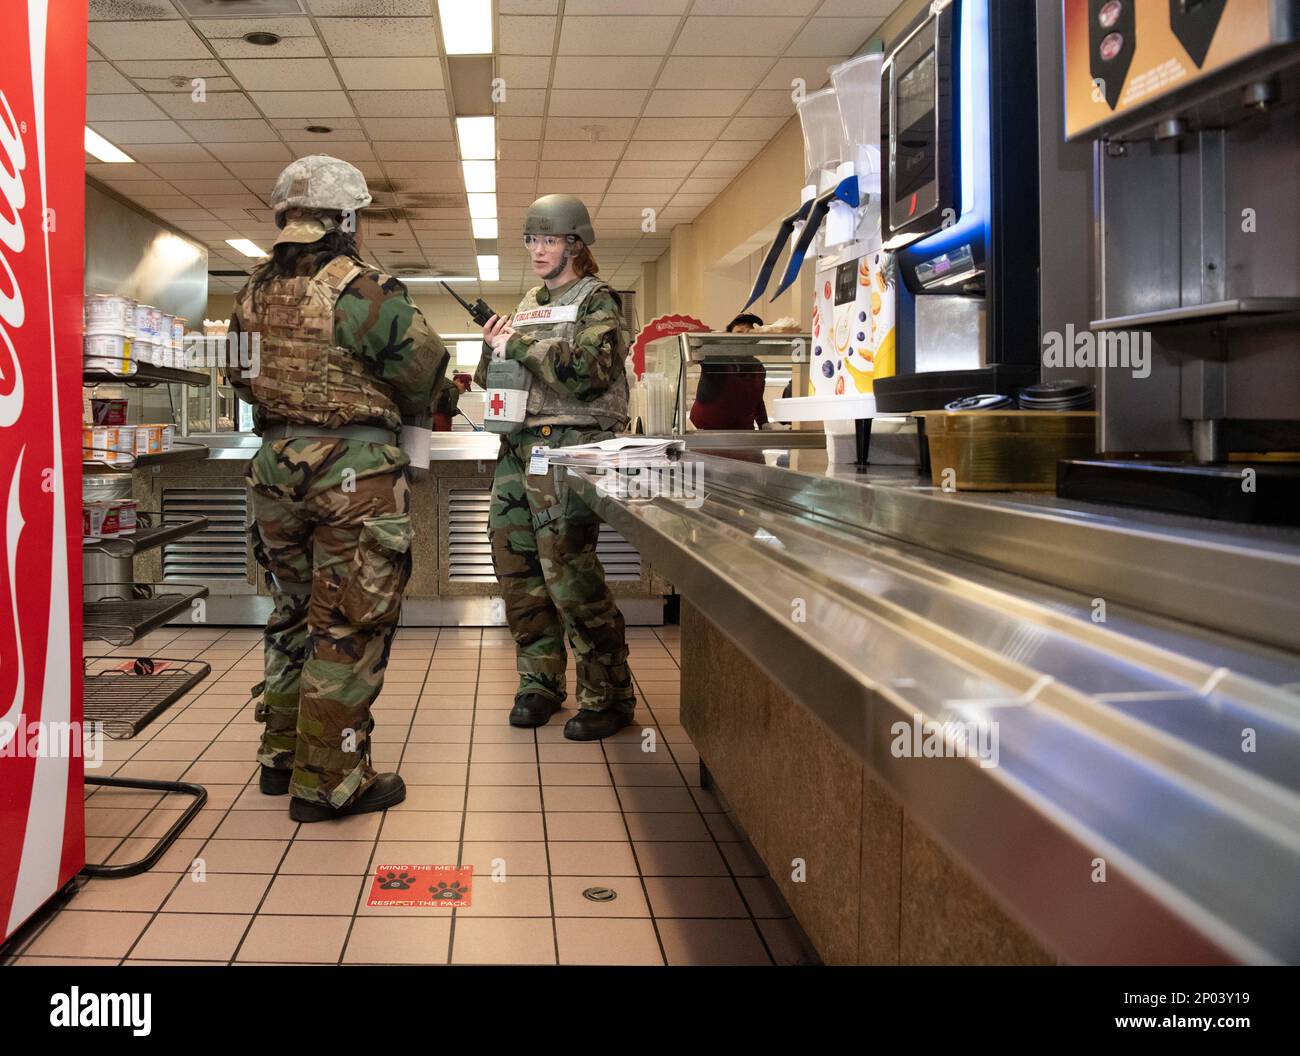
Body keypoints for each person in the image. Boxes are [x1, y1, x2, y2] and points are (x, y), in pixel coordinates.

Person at [228, 154, 449, 822]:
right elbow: (425, 366)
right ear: (346, 218)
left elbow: (240, 377)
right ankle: (329, 784)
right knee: (348, 621)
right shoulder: (364, 289)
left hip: (273, 467)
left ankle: (281, 756)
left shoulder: (250, 293)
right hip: (350, 473)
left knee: (292, 612)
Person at [475, 194, 637, 741]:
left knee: (568, 574)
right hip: (518, 448)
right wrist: (492, 346)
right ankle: (539, 683)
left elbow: (587, 372)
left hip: (570, 448)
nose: (537, 250)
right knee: (518, 572)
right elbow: (490, 377)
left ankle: (608, 694)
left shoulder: (599, 301)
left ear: (575, 244)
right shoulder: (527, 303)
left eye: (547, 240)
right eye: (530, 240)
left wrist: (516, 343)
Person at [689, 313, 769, 430]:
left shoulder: (758, 367)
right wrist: (717, 336)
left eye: (750, 333)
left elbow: (757, 402)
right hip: (706, 434)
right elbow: (696, 338)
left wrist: (765, 425)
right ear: (730, 335)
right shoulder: (716, 357)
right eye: (739, 332)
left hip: (743, 435)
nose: (744, 337)